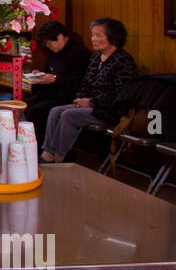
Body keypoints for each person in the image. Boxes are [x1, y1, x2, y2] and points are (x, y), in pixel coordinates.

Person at [41, 18, 139, 163]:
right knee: (55, 111)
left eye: (98, 35)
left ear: (113, 37)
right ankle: (48, 153)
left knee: (69, 115)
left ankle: (59, 156)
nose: (93, 39)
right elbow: (85, 83)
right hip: (90, 105)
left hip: (110, 109)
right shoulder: (96, 58)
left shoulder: (123, 61)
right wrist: (80, 100)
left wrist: (92, 102)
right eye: (92, 35)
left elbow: (120, 94)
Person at [25, 20, 90, 141]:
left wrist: (56, 79)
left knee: (36, 111)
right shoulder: (55, 53)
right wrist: (40, 75)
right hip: (52, 94)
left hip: (68, 96)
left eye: (50, 43)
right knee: (25, 104)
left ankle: (40, 147)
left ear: (60, 37)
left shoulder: (79, 53)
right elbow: (51, 72)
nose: (49, 47)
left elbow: (80, 81)